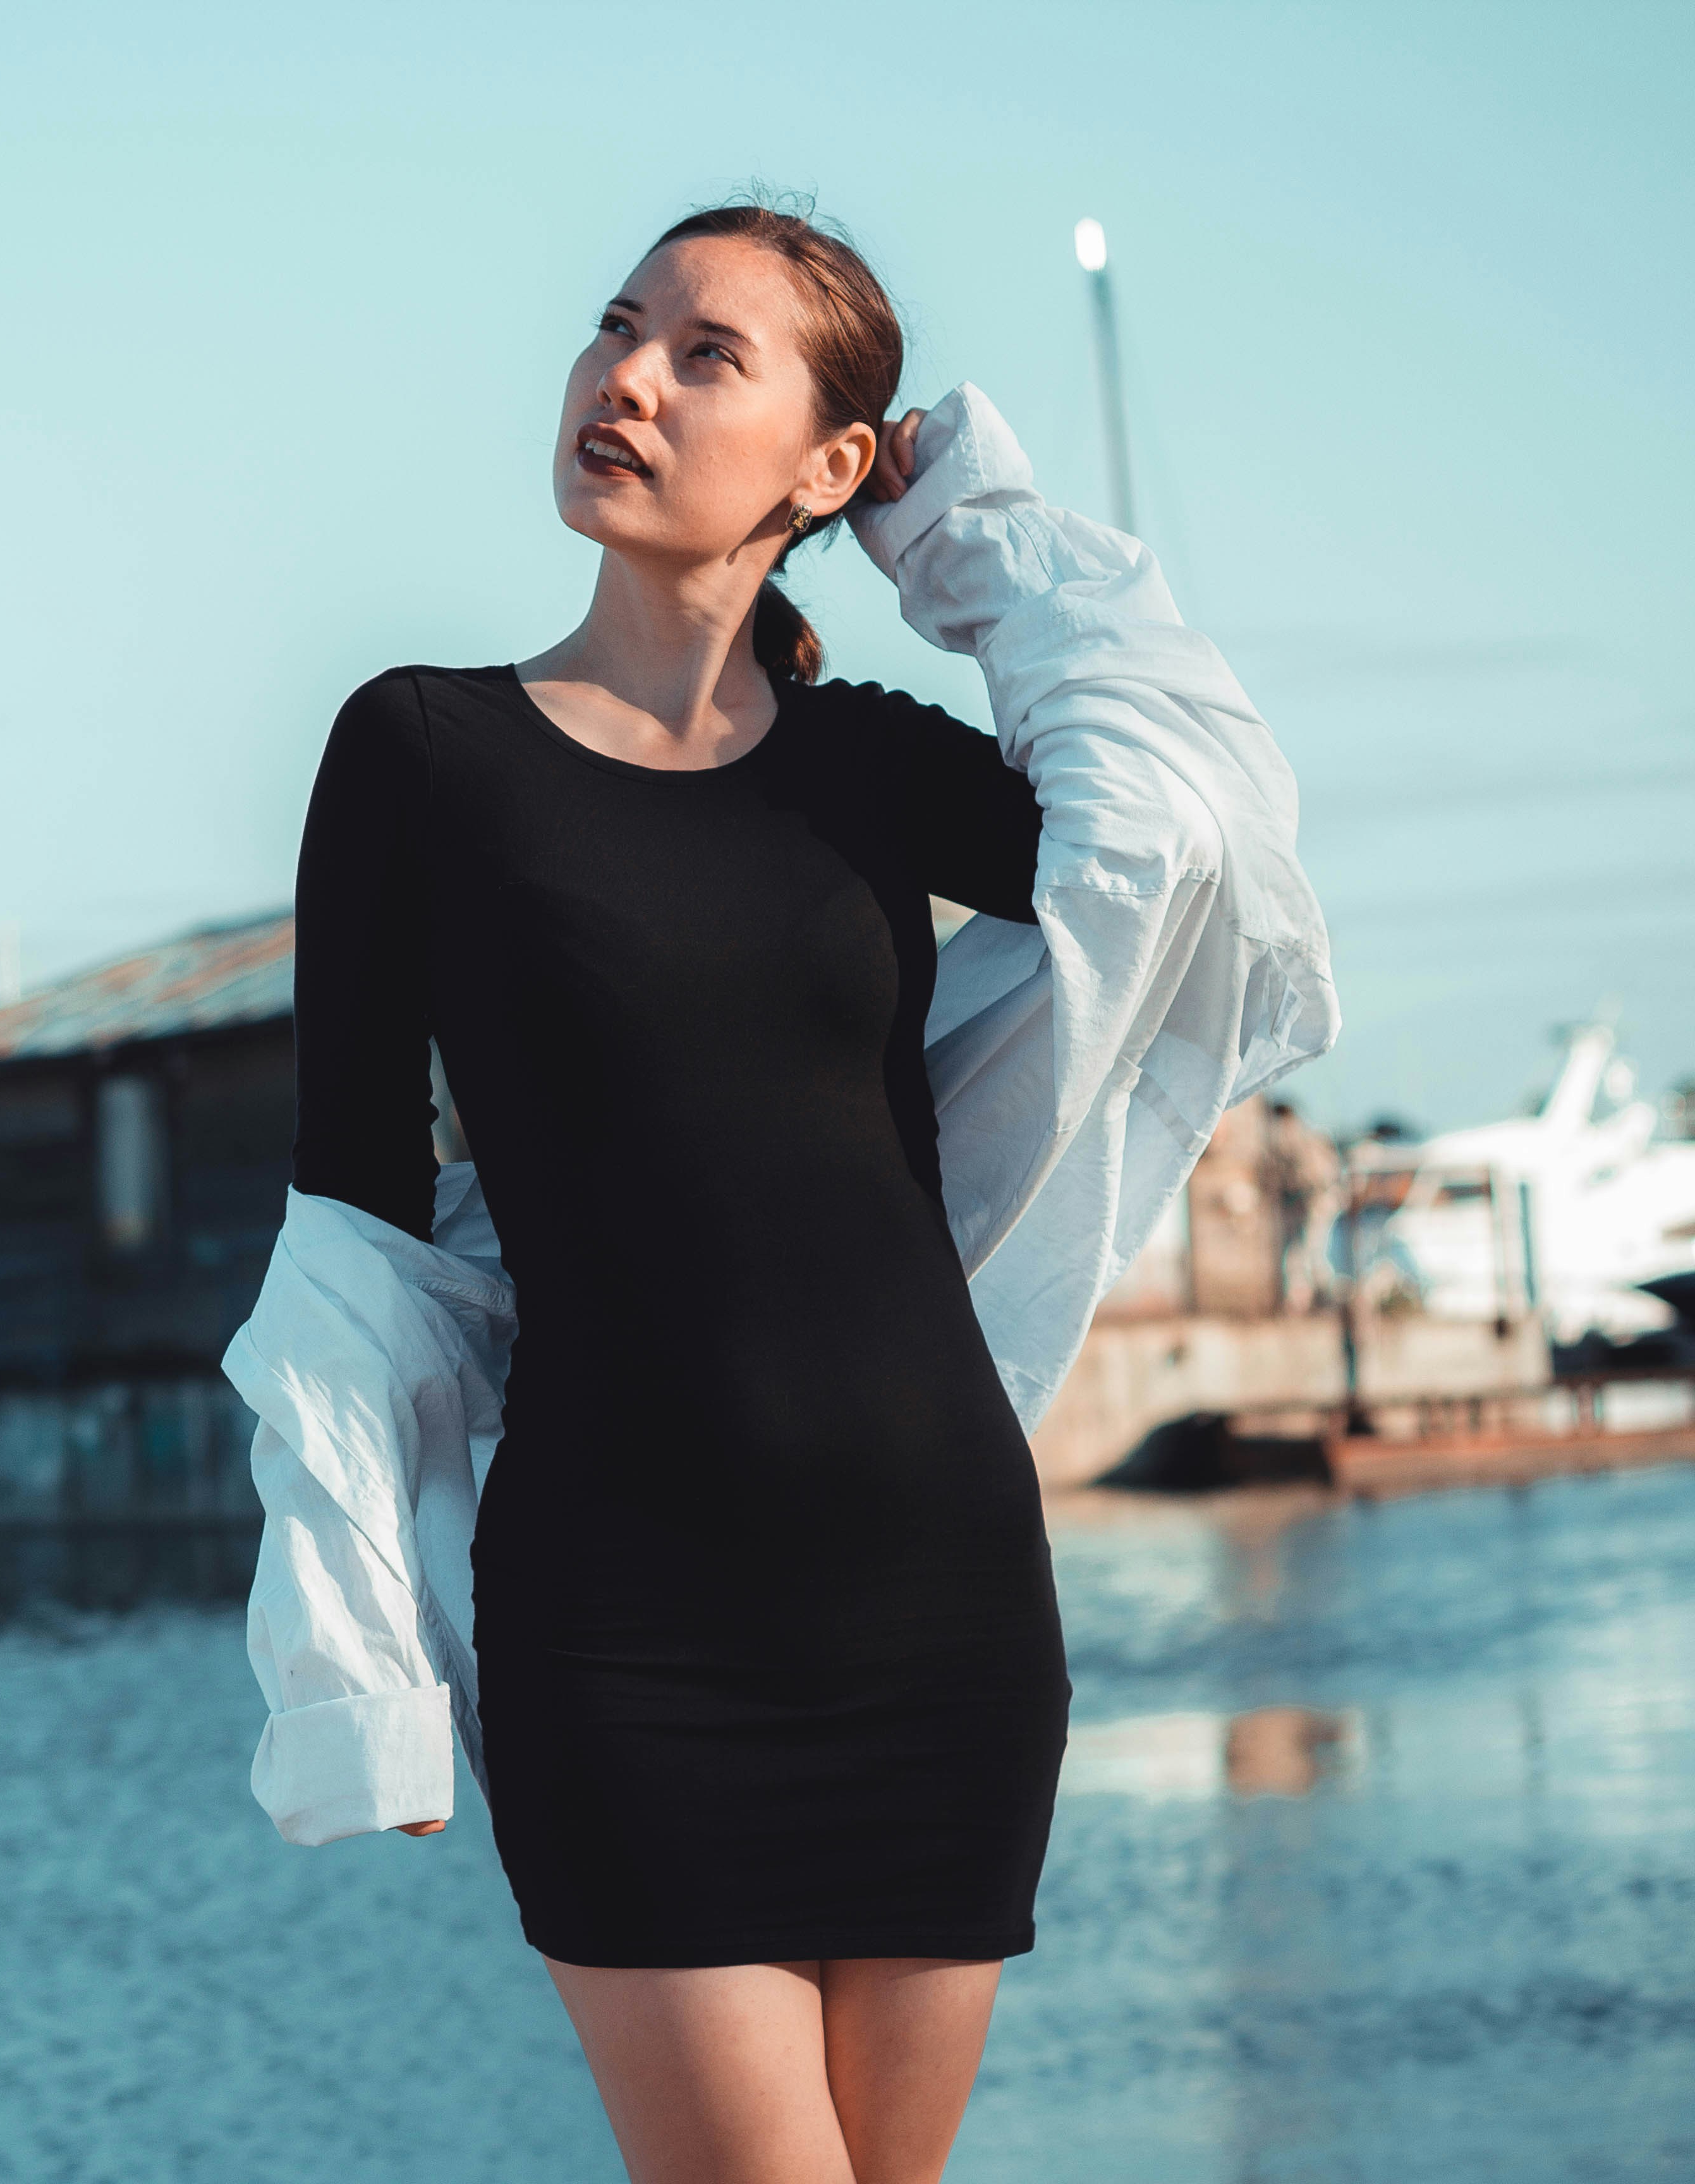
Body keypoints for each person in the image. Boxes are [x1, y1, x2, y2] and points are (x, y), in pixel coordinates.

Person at [251, 202, 1335, 2184]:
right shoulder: (421, 754)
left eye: (703, 354)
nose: (626, 378)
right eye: (613, 329)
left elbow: (1174, 836)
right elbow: (354, 1229)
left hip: (941, 1616)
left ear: (829, 466)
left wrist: (961, 531)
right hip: (625, 1629)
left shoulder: (867, 768)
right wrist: (361, 1656)